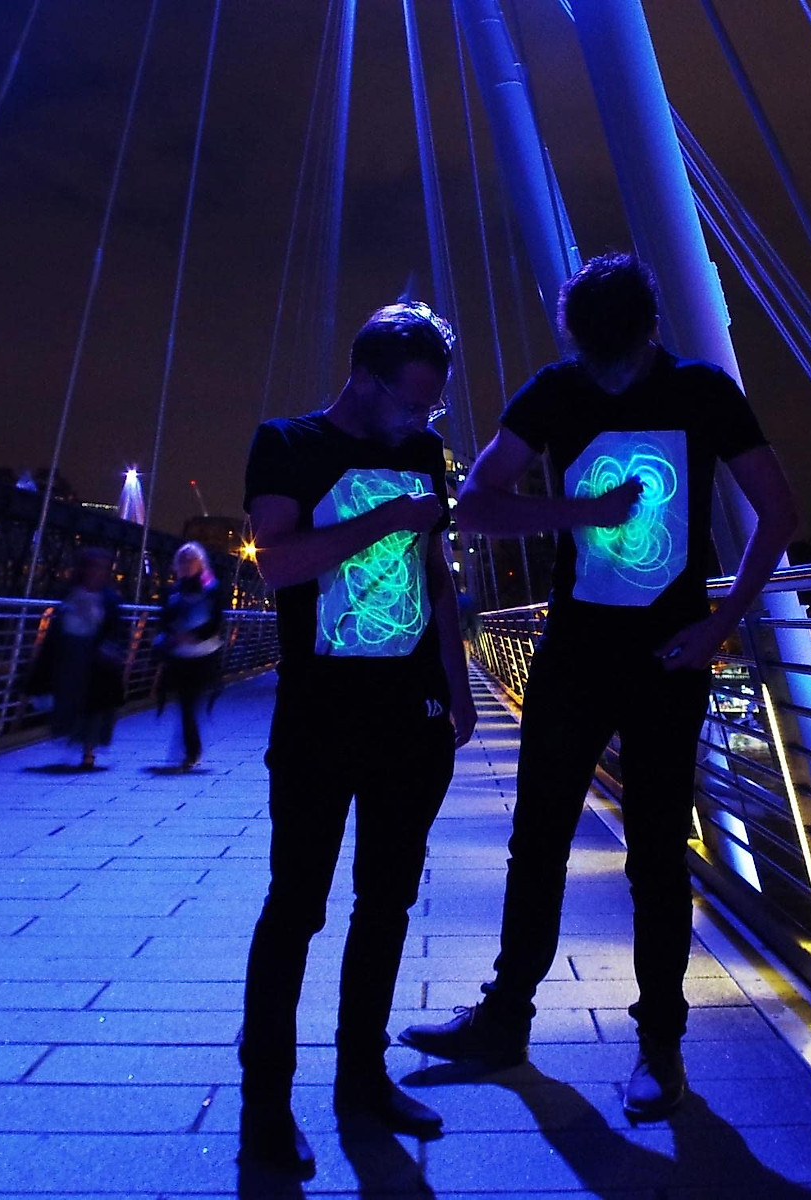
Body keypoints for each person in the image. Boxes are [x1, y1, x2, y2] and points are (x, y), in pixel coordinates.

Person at [400, 253, 797, 1119]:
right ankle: (507, 1019)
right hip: (575, 650)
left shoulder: (701, 392)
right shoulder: (558, 391)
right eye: (593, 360)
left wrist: (719, 626)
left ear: (645, 332)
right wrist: (585, 513)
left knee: (655, 853)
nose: (605, 375)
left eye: (614, 359)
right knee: (538, 840)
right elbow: (476, 503)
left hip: (668, 656)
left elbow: (780, 510)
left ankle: (659, 1044)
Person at [238, 302, 477, 1178]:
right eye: (413, 401)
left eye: (432, 405)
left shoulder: (422, 451)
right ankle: (266, 1102)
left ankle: (362, 1078)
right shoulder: (287, 444)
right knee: (296, 906)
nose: (423, 418)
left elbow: (435, 573)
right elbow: (278, 562)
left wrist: (457, 683)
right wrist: (386, 519)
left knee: (387, 903)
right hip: (318, 715)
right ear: (365, 379)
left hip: (410, 716)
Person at [28, 546, 125, 769]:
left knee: (94, 704)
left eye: (101, 568)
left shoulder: (110, 599)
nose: (96, 572)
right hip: (70, 655)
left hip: (97, 659)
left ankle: (88, 750)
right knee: (71, 700)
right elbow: (57, 629)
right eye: (92, 567)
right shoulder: (70, 594)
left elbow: (116, 630)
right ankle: (74, 737)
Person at [158, 541, 225, 769]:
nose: (187, 565)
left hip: (205, 655)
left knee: (190, 704)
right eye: (183, 561)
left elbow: (216, 623)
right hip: (180, 655)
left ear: (201, 563)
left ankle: (191, 751)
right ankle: (191, 750)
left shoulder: (212, 589)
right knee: (186, 704)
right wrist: (170, 637)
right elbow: (164, 620)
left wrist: (192, 636)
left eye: (191, 561)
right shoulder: (172, 592)